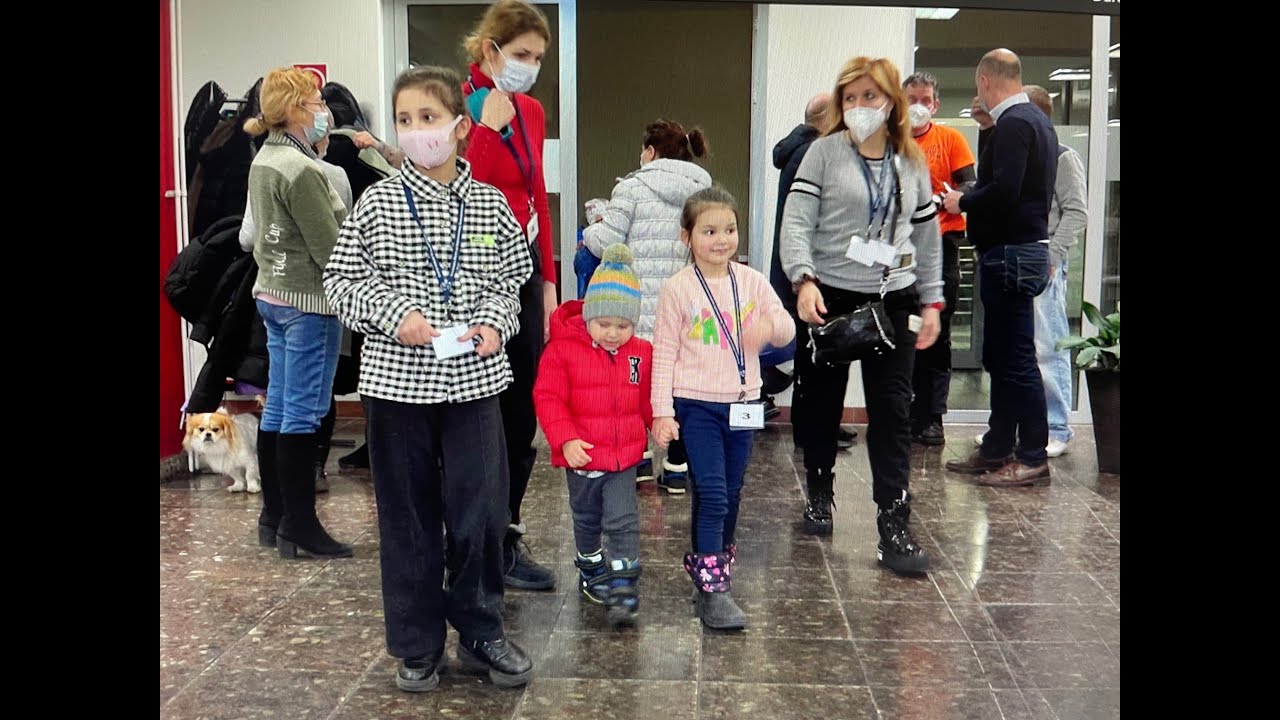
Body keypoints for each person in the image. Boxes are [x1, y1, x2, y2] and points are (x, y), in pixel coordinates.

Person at [323, 66, 535, 692]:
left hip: (474, 382)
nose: (417, 132)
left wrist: (495, 323)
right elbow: (341, 282)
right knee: (409, 518)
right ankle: (417, 643)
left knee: (480, 513)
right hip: (396, 386)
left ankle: (480, 629)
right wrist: (395, 316)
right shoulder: (378, 201)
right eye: (406, 121)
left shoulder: (491, 204)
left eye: (429, 119)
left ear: (460, 127)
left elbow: (511, 281)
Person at [779, 56, 941, 575]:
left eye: (869, 97)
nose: (858, 107)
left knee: (893, 412)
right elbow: (797, 221)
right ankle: (819, 490)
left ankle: (893, 526)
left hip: (893, 298)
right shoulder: (823, 153)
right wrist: (802, 280)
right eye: (849, 98)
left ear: (891, 100)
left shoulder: (910, 161)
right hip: (830, 296)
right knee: (820, 403)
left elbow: (925, 237)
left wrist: (931, 300)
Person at [652, 186, 796, 629]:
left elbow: (787, 328)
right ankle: (712, 587)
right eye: (709, 230)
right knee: (711, 491)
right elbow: (663, 353)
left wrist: (769, 326)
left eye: (729, 229)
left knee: (731, 494)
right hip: (696, 406)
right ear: (687, 237)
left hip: (744, 404)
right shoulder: (678, 289)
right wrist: (662, 411)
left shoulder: (751, 282)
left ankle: (715, 562)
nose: (721, 239)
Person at [461, 0, 557, 590]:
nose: (529, 67)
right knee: (478, 418)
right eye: (521, 55)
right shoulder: (456, 104)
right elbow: (458, 185)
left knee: (521, 413)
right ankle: (470, 538)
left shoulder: (532, 109)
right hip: (468, 278)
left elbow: (537, 193)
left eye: (538, 58)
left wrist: (547, 282)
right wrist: (486, 127)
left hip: (520, 276)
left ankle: (507, 536)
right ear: (489, 50)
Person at [242, 67, 352, 560]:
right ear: (292, 111)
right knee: (304, 414)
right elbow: (330, 248)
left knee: (281, 407)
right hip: (308, 303)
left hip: (271, 297)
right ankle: (301, 526)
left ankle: (275, 516)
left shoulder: (264, 159)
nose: (322, 111)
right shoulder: (302, 170)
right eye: (314, 102)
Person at [943, 49, 1058, 488]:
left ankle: (1031, 455)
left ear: (987, 82)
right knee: (1002, 356)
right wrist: (986, 131)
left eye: (978, 87)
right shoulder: (1032, 122)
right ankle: (997, 447)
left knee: (1015, 362)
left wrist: (961, 201)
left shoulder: (1015, 123)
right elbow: (1009, 180)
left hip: (1010, 252)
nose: (978, 95)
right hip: (1020, 251)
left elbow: (1003, 190)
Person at [581, 118, 711, 491]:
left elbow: (606, 241)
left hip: (635, 312)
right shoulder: (702, 192)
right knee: (678, 390)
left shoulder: (632, 188)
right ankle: (675, 467)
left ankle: (638, 462)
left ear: (650, 152)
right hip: (683, 309)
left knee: (633, 387)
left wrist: (590, 229)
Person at [533, 245, 652, 627]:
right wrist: (565, 439)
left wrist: (659, 421)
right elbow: (548, 397)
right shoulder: (562, 351)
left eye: (623, 325)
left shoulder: (641, 354)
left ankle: (623, 584)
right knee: (586, 518)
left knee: (622, 518)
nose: (614, 333)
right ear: (588, 316)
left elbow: (647, 396)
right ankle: (589, 563)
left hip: (623, 457)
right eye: (605, 324)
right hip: (582, 456)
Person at [769, 92, 857, 454]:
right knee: (817, 354)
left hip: (800, 268)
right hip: (814, 271)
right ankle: (814, 428)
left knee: (813, 353)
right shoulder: (813, 155)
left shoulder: (795, 152)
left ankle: (817, 425)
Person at [902, 71, 977, 446]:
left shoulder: (950, 139)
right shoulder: (890, 142)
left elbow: (970, 184)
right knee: (902, 329)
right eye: (910, 98)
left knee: (937, 330)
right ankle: (902, 411)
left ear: (935, 104)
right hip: (900, 249)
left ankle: (932, 416)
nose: (917, 106)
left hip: (944, 242)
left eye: (924, 99)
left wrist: (952, 197)